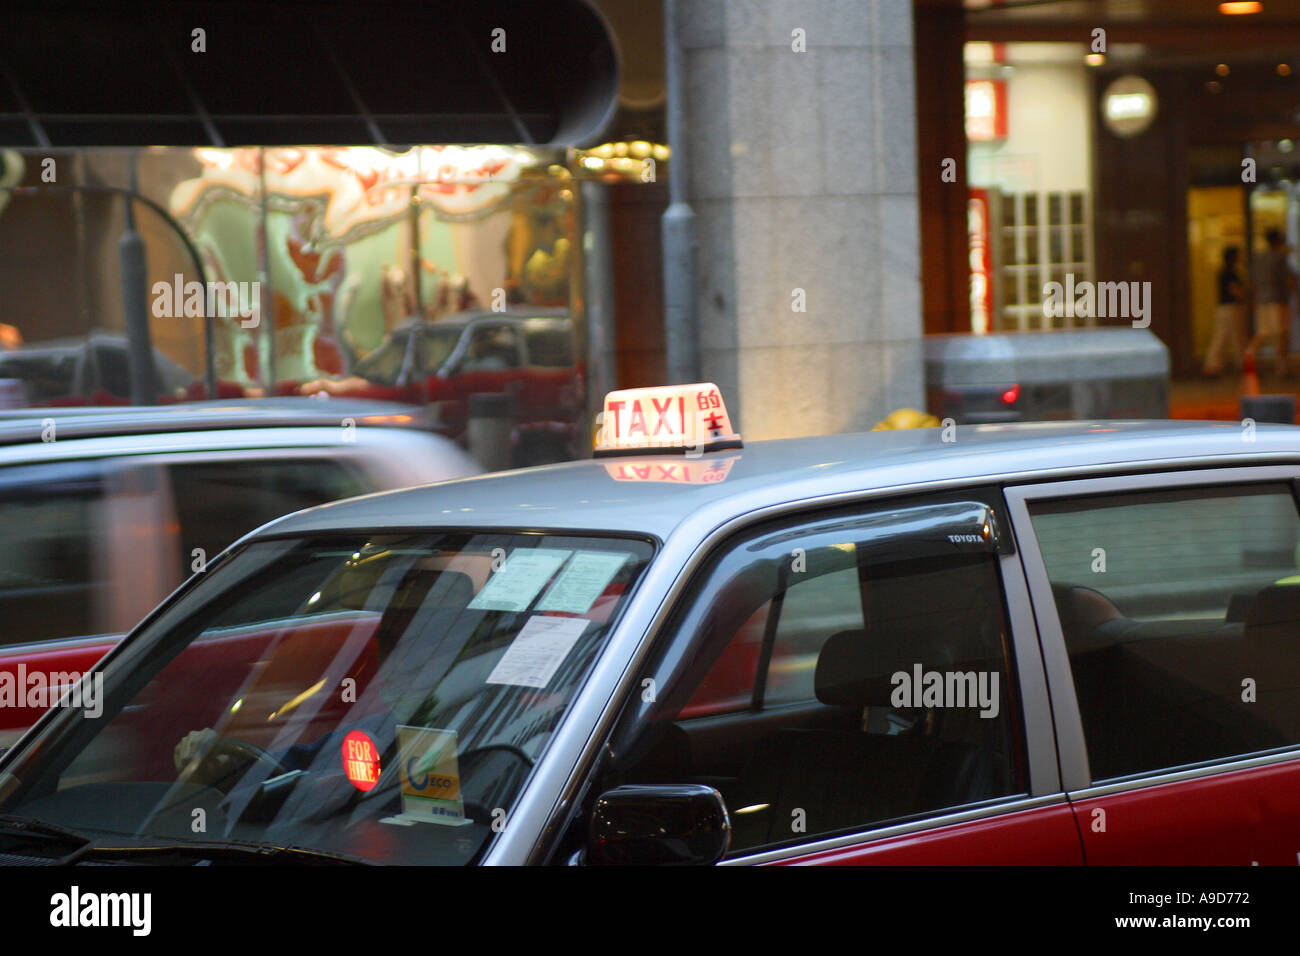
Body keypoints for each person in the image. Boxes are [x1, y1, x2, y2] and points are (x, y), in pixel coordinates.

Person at [1246, 228, 1297, 378]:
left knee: (1263, 332)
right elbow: (1289, 280)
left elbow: (1252, 281)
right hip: (1277, 299)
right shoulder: (1280, 257)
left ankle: (1248, 356)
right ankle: (1281, 367)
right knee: (1281, 334)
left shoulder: (1259, 258)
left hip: (1262, 299)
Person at [1204, 246, 1248, 376]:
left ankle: (1212, 365)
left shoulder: (1222, 272)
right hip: (1232, 308)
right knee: (1238, 337)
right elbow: (1235, 290)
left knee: (1220, 337)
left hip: (1222, 308)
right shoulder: (1231, 272)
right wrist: (1245, 299)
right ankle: (1242, 364)